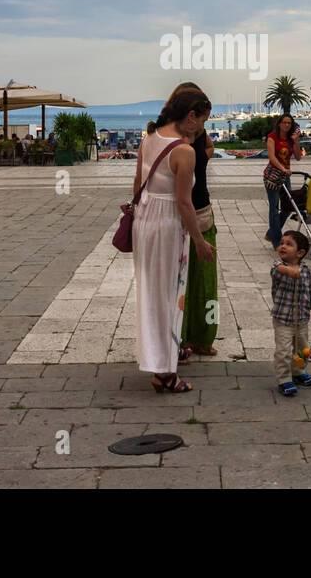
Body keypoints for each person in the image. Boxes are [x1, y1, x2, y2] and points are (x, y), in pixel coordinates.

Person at [132, 86, 216, 393]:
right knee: (170, 296)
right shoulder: (183, 151)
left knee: (151, 294)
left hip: (144, 221)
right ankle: (165, 372)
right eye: (203, 120)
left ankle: (160, 359)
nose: (204, 127)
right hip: (167, 223)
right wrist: (199, 240)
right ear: (190, 116)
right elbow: (184, 202)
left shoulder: (149, 138)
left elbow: (137, 183)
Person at [181, 125, 219, 359]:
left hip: (202, 213)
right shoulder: (176, 143)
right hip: (184, 216)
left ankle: (198, 339)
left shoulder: (196, 138)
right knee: (185, 284)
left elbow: (210, 146)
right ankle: (183, 340)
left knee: (201, 283)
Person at [271, 230, 311, 396]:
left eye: (288, 244)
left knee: (303, 348)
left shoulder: (306, 270)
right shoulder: (278, 265)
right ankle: (284, 379)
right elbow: (278, 270)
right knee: (283, 351)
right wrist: (289, 270)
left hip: (301, 320)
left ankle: (298, 372)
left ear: (300, 253)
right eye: (282, 243)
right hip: (283, 319)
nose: (283, 246)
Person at [263, 114, 303, 249]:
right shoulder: (272, 137)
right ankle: (277, 241)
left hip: (285, 176)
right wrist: (283, 168)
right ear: (279, 124)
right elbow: (272, 157)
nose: (287, 125)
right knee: (274, 208)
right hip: (273, 176)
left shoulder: (291, 140)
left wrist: (296, 141)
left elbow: (298, 157)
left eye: (289, 123)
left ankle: (271, 233)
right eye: (284, 122)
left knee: (287, 207)